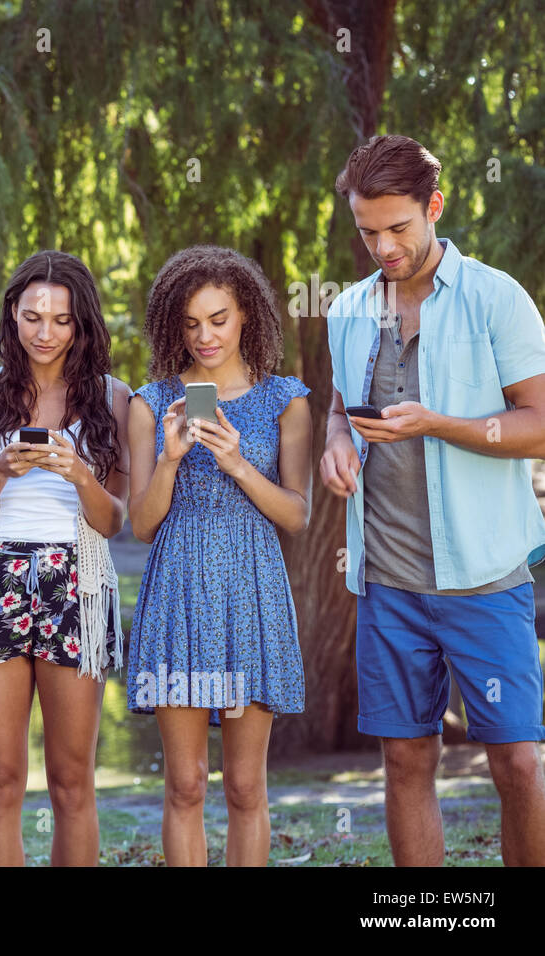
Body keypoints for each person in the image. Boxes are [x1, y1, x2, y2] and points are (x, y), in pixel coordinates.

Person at [321, 134, 545, 867]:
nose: (382, 246)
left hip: (484, 576)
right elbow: (339, 406)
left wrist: (441, 423)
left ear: (435, 207)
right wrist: (335, 443)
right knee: (406, 761)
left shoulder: (496, 298)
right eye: (367, 231)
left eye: (398, 228)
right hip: (388, 581)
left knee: (516, 764)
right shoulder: (348, 310)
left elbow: (540, 427)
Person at [126, 245, 312, 867]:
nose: (205, 336)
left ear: (247, 317)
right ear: (171, 327)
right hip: (178, 592)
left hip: (252, 593)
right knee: (184, 785)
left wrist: (235, 462)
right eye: (190, 323)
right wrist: (171, 458)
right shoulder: (150, 404)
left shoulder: (286, 400)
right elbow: (144, 523)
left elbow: (296, 515)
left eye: (219, 319)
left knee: (244, 786)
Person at [0, 250, 130, 867]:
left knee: (72, 783)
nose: (45, 333)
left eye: (61, 320)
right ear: (13, 316)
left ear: (83, 324)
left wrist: (79, 473)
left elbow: (112, 521)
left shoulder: (113, 397)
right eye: (32, 317)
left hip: (75, 585)